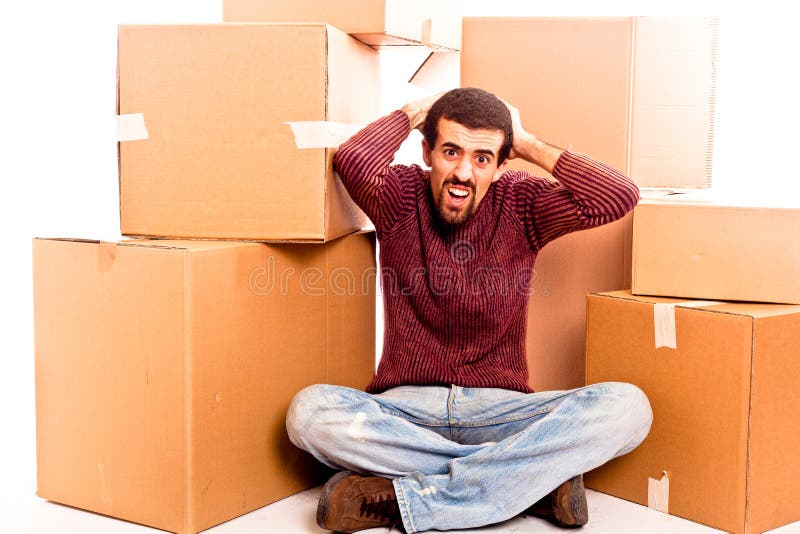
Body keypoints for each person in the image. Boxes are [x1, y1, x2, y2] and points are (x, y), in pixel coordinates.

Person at [286, 88, 652, 533]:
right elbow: (354, 160)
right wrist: (414, 110)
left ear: (501, 166)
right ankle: (528, 483)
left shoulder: (523, 205)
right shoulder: (400, 198)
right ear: (427, 151)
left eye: (482, 158)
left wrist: (527, 140)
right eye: (451, 151)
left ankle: (416, 500)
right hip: (406, 413)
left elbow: (617, 195)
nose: (462, 171)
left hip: (501, 413)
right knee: (309, 414)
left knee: (629, 408)